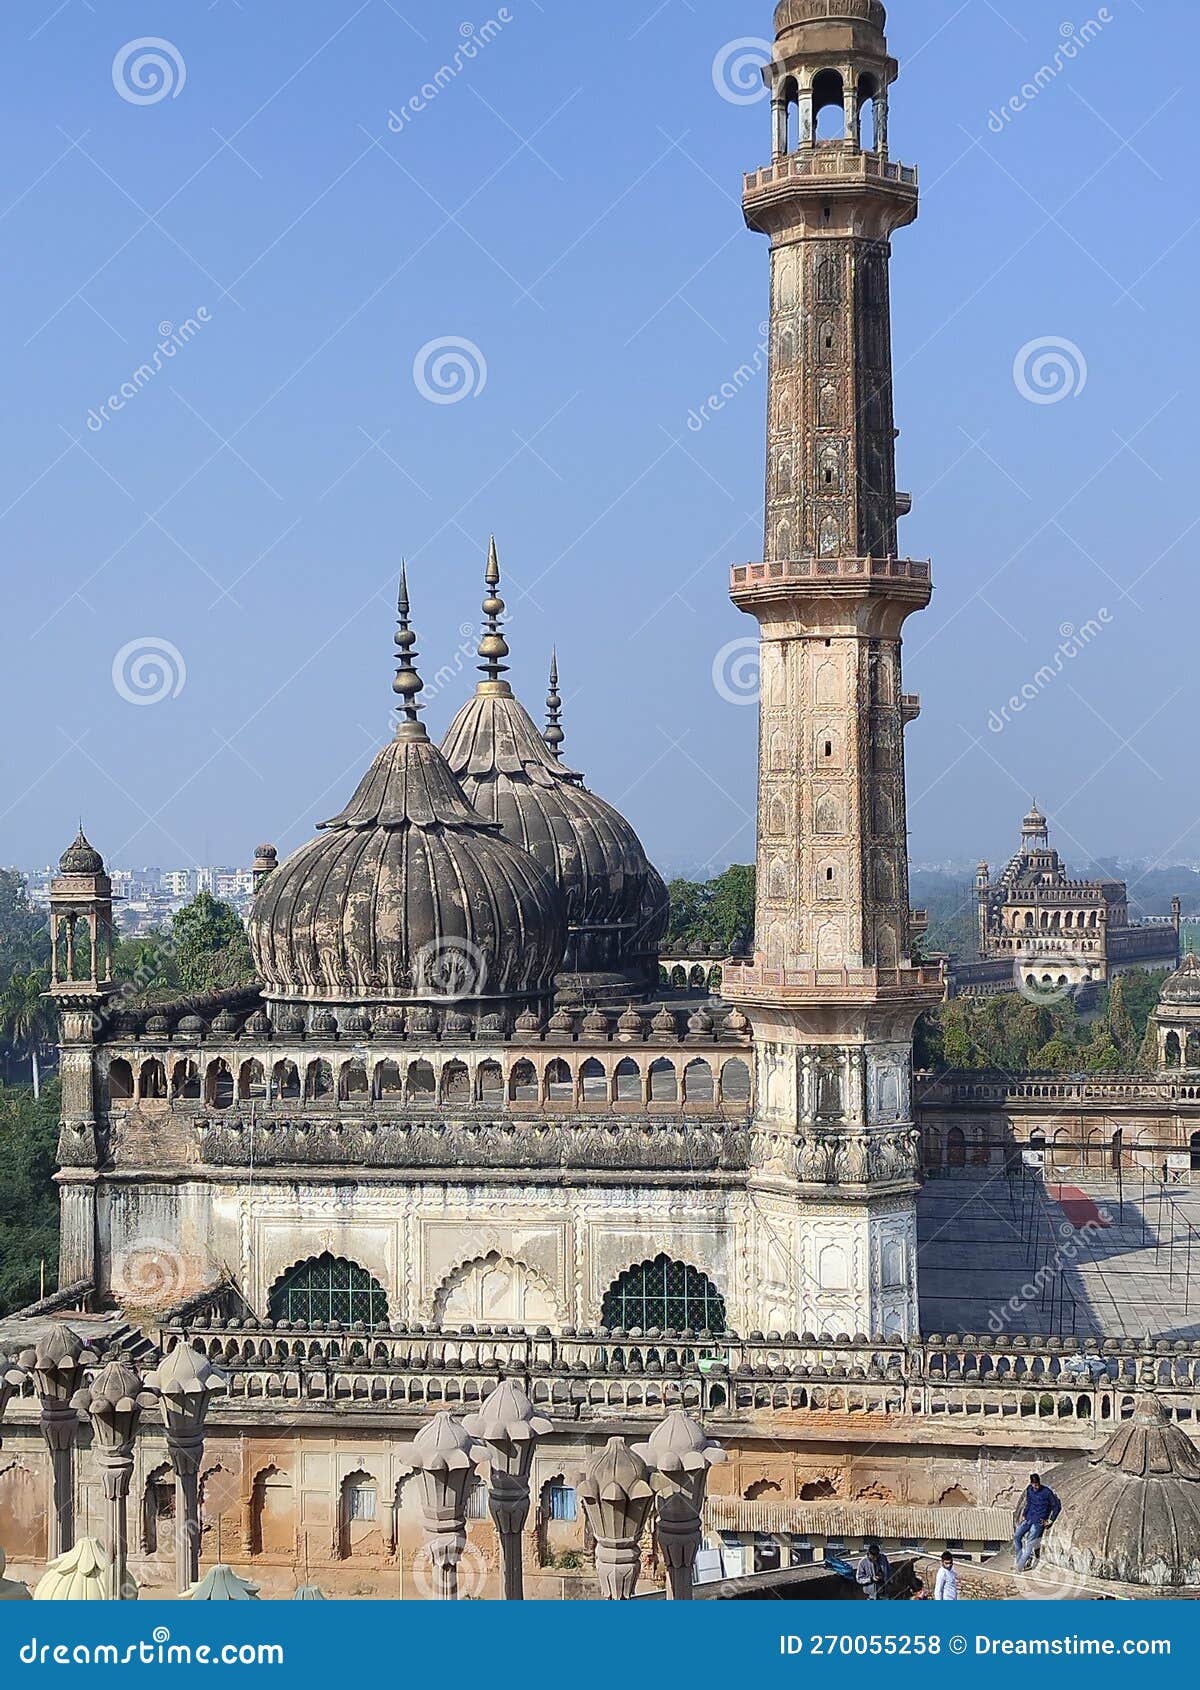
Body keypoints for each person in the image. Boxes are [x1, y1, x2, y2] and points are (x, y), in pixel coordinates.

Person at [1014, 1472, 1061, 1571]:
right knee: (1017, 1536)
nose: (1036, 1486)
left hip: (1039, 1521)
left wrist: (1051, 1520)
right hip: (1029, 1518)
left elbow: (1056, 1506)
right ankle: (1019, 1560)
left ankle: (1021, 1565)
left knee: (1030, 1542)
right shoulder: (1030, 1490)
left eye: (1037, 1484)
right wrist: (1024, 1514)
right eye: (1034, 1484)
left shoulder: (1047, 1492)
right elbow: (1028, 1503)